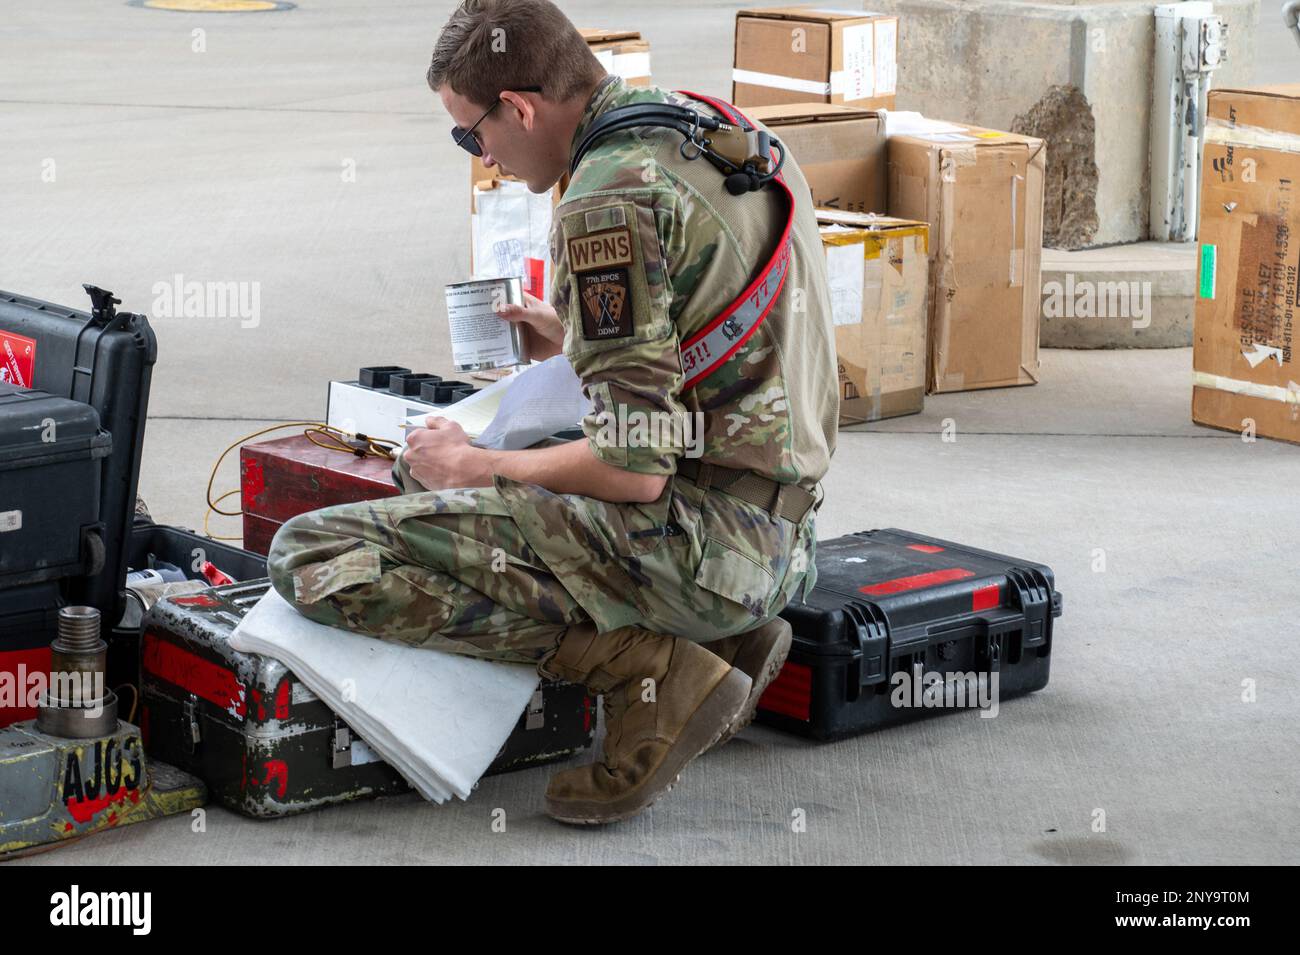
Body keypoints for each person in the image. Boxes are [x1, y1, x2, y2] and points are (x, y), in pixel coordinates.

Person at [266, 0, 838, 825]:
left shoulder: (604, 206)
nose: (484, 158)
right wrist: (575, 339)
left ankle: (651, 669)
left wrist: (477, 465)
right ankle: (720, 644)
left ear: (522, 108)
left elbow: (633, 473)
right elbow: (722, 348)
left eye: (472, 135)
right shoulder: (706, 126)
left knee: (314, 553)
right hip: (787, 536)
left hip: (704, 550)